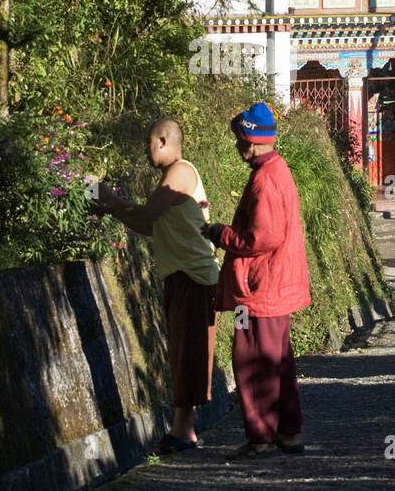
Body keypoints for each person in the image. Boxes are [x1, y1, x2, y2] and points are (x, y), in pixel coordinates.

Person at [94, 118, 219, 455]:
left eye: (148, 142)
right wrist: (111, 208)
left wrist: (109, 198)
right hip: (181, 276)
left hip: (193, 276)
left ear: (163, 141)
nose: (145, 149)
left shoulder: (179, 172)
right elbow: (150, 227)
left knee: (188, 352)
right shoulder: (170, 178)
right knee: (182, 351)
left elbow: (147, 216)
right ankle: (183, 430)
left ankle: (183, 431)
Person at [201, 102, 310, 459]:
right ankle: (289, 434)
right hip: (279, 286)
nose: (237, 148)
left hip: (261, 289)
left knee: (251, 365)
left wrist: (221, 234)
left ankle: (261, 438)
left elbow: (261, 238)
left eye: (238, 141)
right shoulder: (279, 170)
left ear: (249, 142)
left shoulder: (264, 179)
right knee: (279, 364)